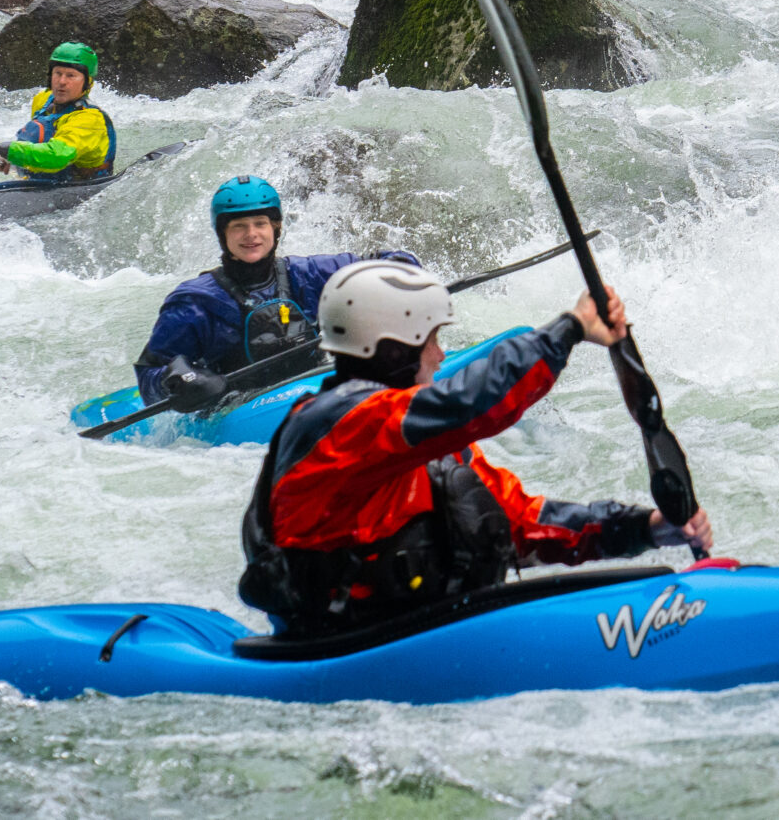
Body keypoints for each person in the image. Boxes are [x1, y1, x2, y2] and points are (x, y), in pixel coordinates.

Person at [237, 261, 713, 636]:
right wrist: (569, 328)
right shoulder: (338, 425)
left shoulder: (415, 442)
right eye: (433, 341)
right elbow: (475, 402)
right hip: (342, 642)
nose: (441, 356)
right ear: (394, 350)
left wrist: (646, 528)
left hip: (421, 628)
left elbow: (523, 526)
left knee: (470, 496)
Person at [134, 176, 422, 403]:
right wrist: (176, 379)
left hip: (312, 389)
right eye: (239, 226)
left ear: (276, 228)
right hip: (237, 409)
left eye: (260, 223)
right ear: (223, 234)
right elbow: (150, 375)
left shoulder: (307, 275)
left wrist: (395, 270)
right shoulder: (195, 302)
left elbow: (385, 263)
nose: (251, 234)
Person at [0, 41, 114, 183]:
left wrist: (1, 149)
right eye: (57, 73)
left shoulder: (90, 120)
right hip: (44, 185)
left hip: (78, 190)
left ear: (87, 82)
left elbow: (56, 156)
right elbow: (37, 146)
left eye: (71, 75)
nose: (62, 81)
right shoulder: (43, 101)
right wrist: (13, 160)